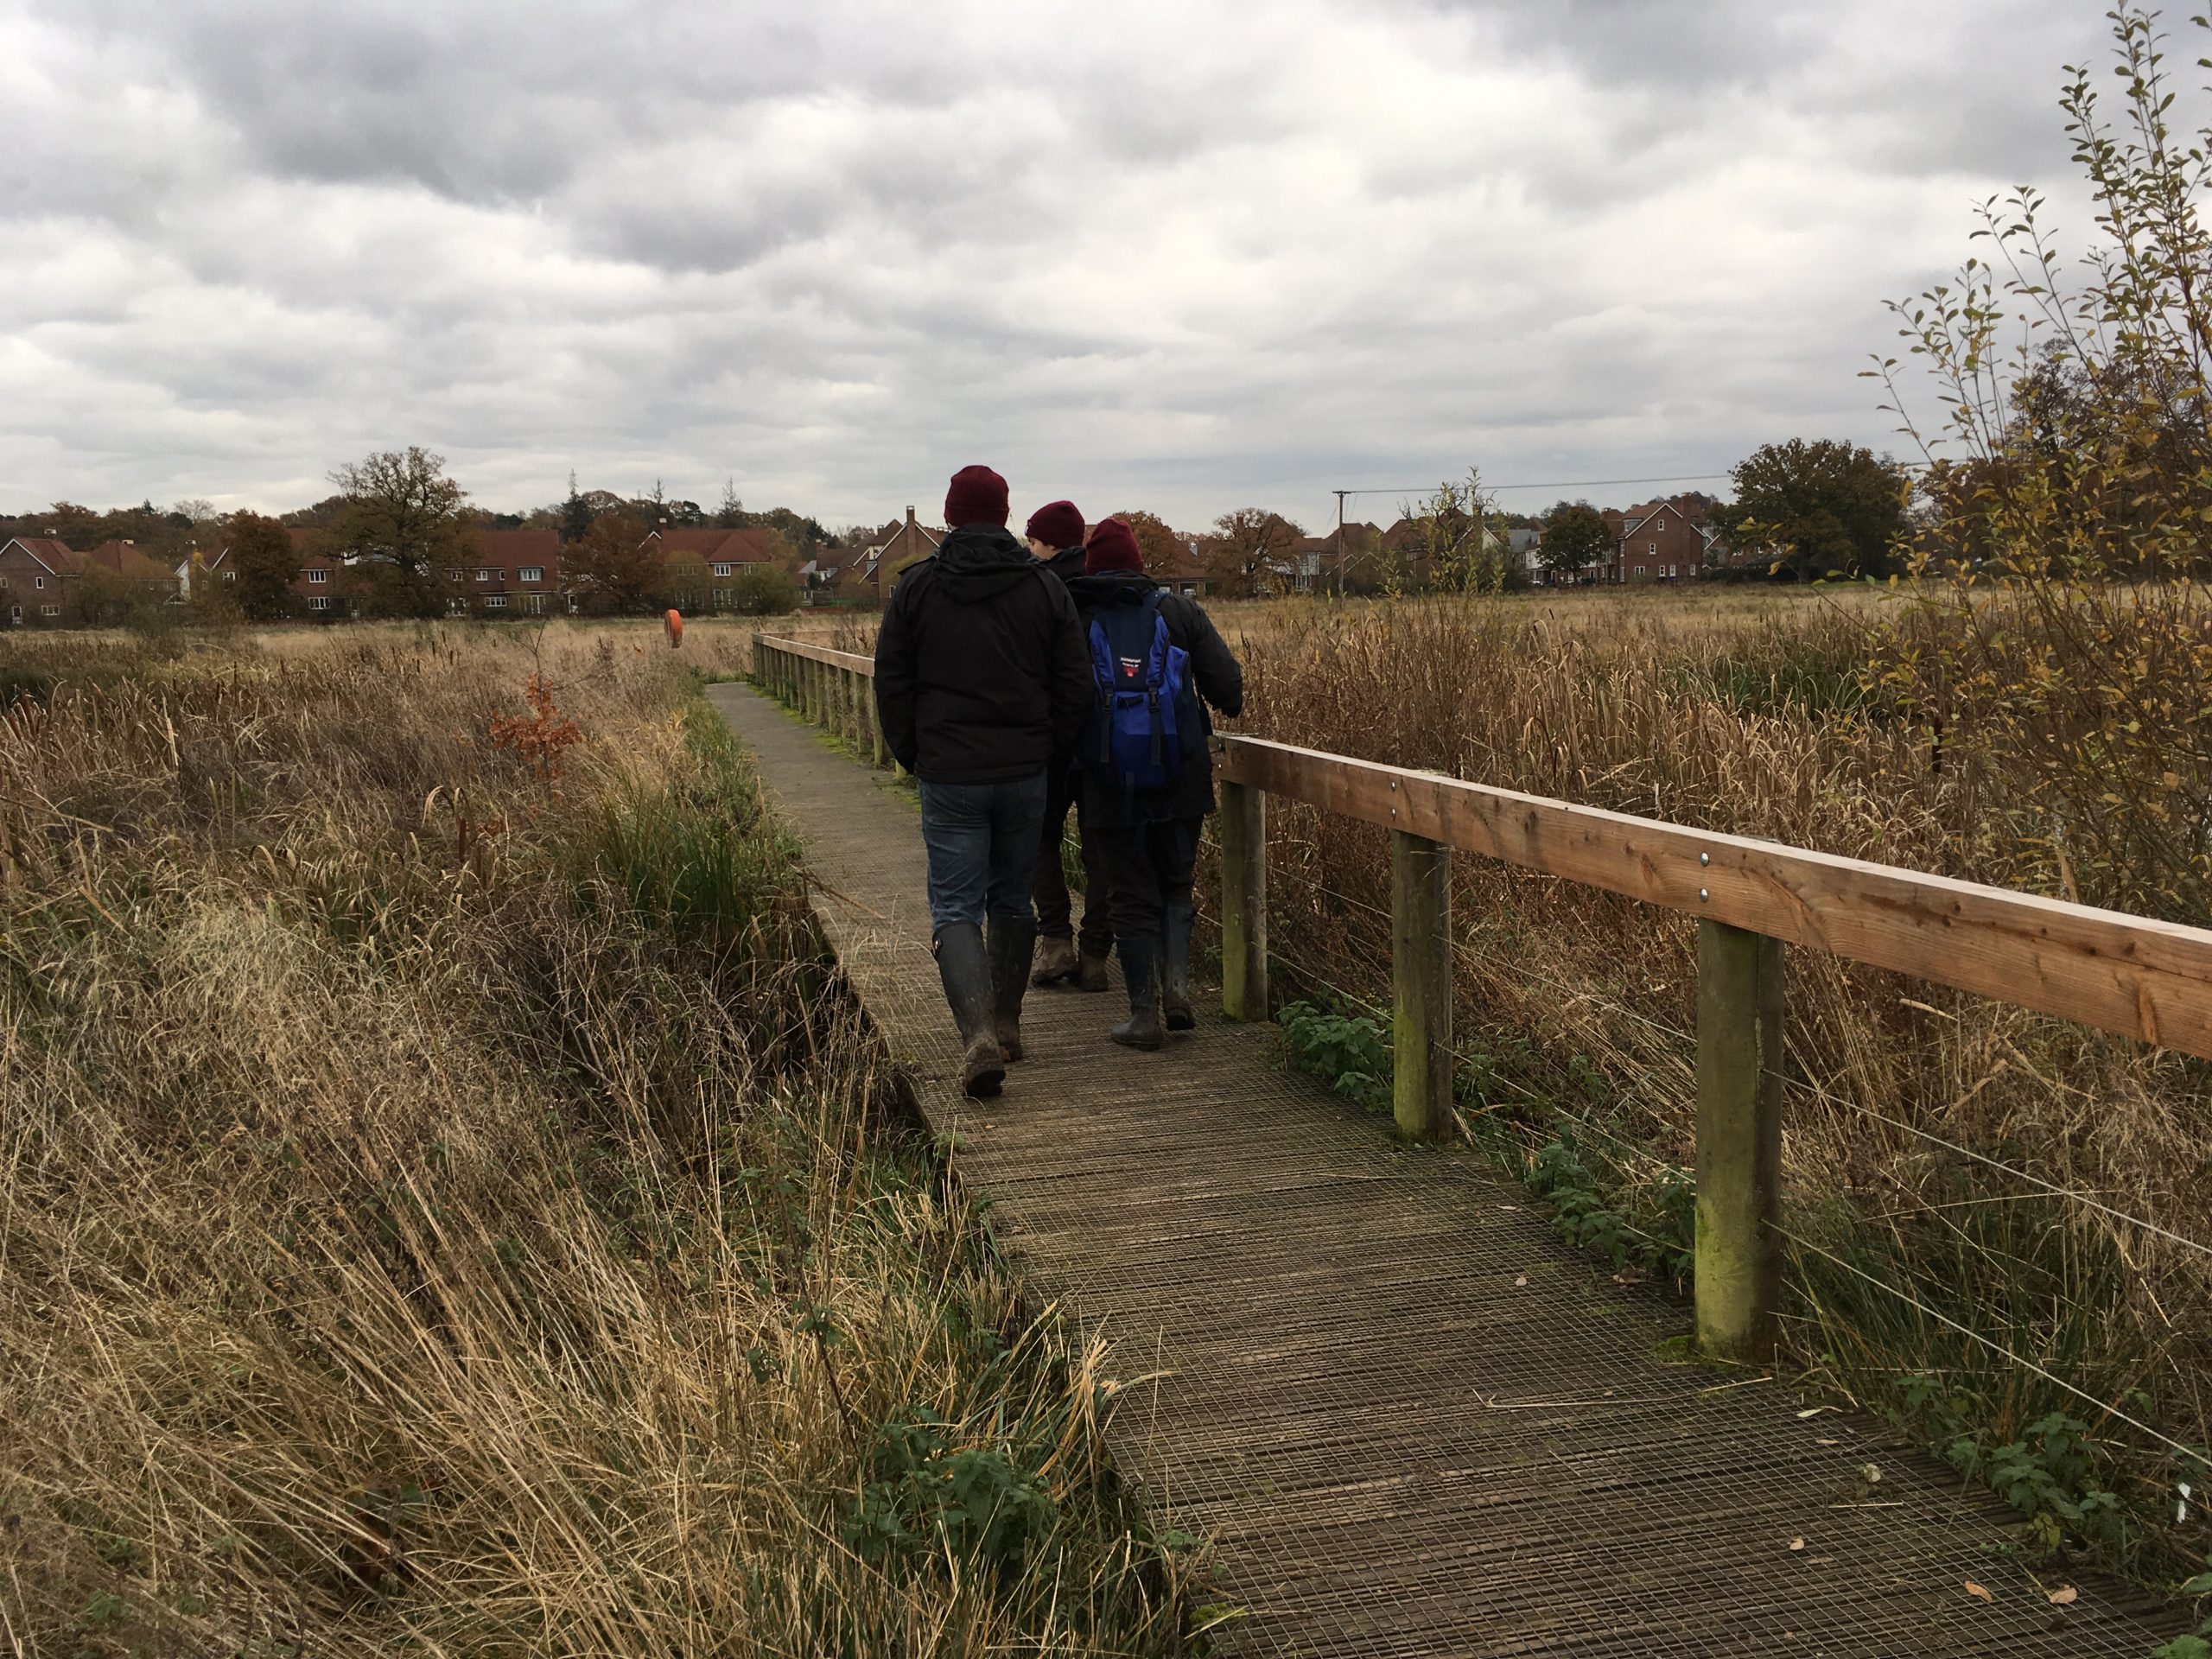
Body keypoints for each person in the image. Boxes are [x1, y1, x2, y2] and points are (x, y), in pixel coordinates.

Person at [874, 466, 1094, 1096]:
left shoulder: (916, 590)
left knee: (954, 906)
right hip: (1024, 770)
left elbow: (892, 681)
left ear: (949, 518)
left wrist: (915, 753)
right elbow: (1075, 685)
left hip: (950, 773)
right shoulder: (1044, 590)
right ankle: (1005, 1024)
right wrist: (1048, 751)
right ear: (1003, 516)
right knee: (1010, 899)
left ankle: (976, 1036)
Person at [1066, 516, 1243, 1050]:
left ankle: (1143, 1016)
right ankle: (1179, 994)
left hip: (1107, 779)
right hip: (1180, 775)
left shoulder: (1074, 617)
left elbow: (1059, 700)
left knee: (1128, 893)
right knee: (1175, 881)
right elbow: (1229, 690)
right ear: (1140, 563)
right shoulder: (1179, 611)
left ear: (1092, 566)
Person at [1022, 499, 1115, 993]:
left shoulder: (1038, 590)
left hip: (1054, 742)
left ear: (1050, 544)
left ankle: (1056, 942)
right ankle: (1097, 954)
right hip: (1105, 744)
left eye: (1033, 541)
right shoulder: (1107, 588)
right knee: (1102, 847)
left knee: (1041, 840)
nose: (1029, 550)